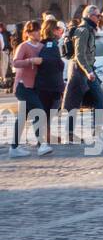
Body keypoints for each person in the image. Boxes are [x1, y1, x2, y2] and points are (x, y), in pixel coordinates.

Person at [62, 5, 103, 148]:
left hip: (86, 70)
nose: (99, 18)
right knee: (74, 103)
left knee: (98, 98)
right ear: (89, 16)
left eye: (100, 16)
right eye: (97, 15)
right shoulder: (83, 30)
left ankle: (97, 132)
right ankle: (69, 134)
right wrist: (89, 71)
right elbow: (79, 55)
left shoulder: (89, 29)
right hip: (79, 71)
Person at [9, 21, 52, 157]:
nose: (38, 32)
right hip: (22, 86)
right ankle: (41, 145)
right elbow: (15, 63)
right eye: (34, 30)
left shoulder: (42, 46)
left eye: (39, 30)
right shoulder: (23, 46)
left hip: (35, 87)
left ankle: (14, 148)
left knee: (22, 117)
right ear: (27, 33)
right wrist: (31, 61)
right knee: (38, 111)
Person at [33, 17, 65, 149]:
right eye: (57, 28)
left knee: (44, 113)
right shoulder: (53, 45)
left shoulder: (39, 45)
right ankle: (44, 138)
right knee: (48, 113)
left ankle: (45, 137)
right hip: (53, 85)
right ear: (53, 30)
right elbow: (57, 64)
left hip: (42, 84)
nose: (60, 31)